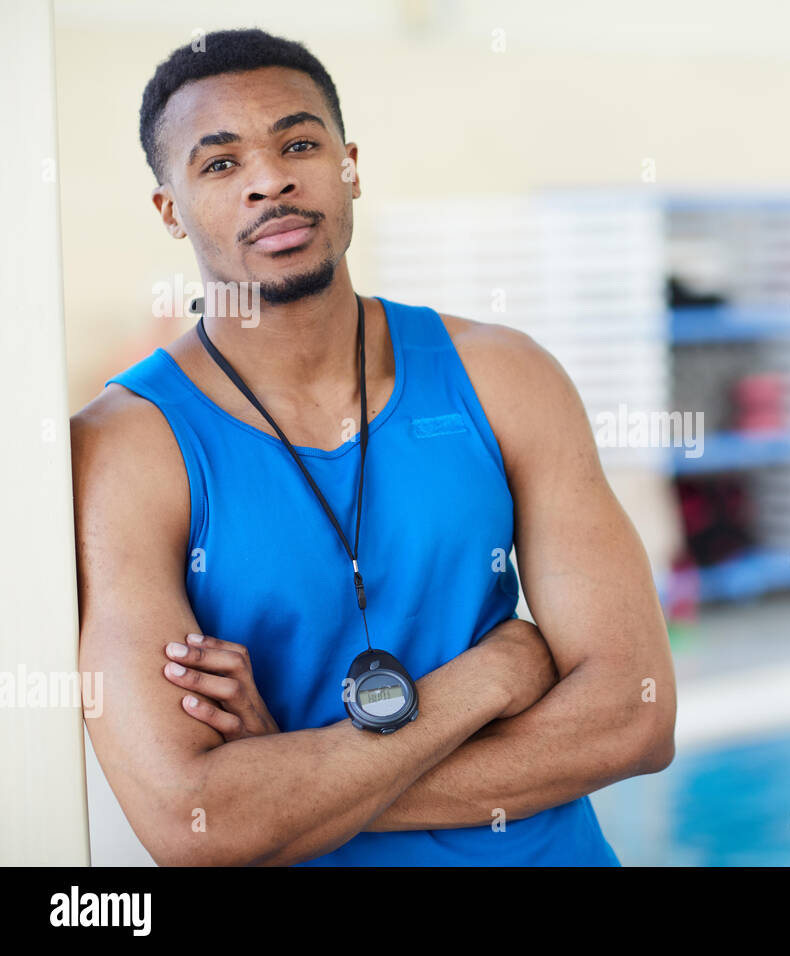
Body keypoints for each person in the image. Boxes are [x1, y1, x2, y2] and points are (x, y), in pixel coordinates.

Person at [70, 28, 675, 866]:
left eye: (300, 144)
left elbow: (636, 718)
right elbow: (193, 821)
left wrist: (294, 774)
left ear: (348, 164)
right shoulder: (125, 448)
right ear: (169, 210)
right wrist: (484, 682)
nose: (271, 180)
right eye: (220, 164)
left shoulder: (505, 378)